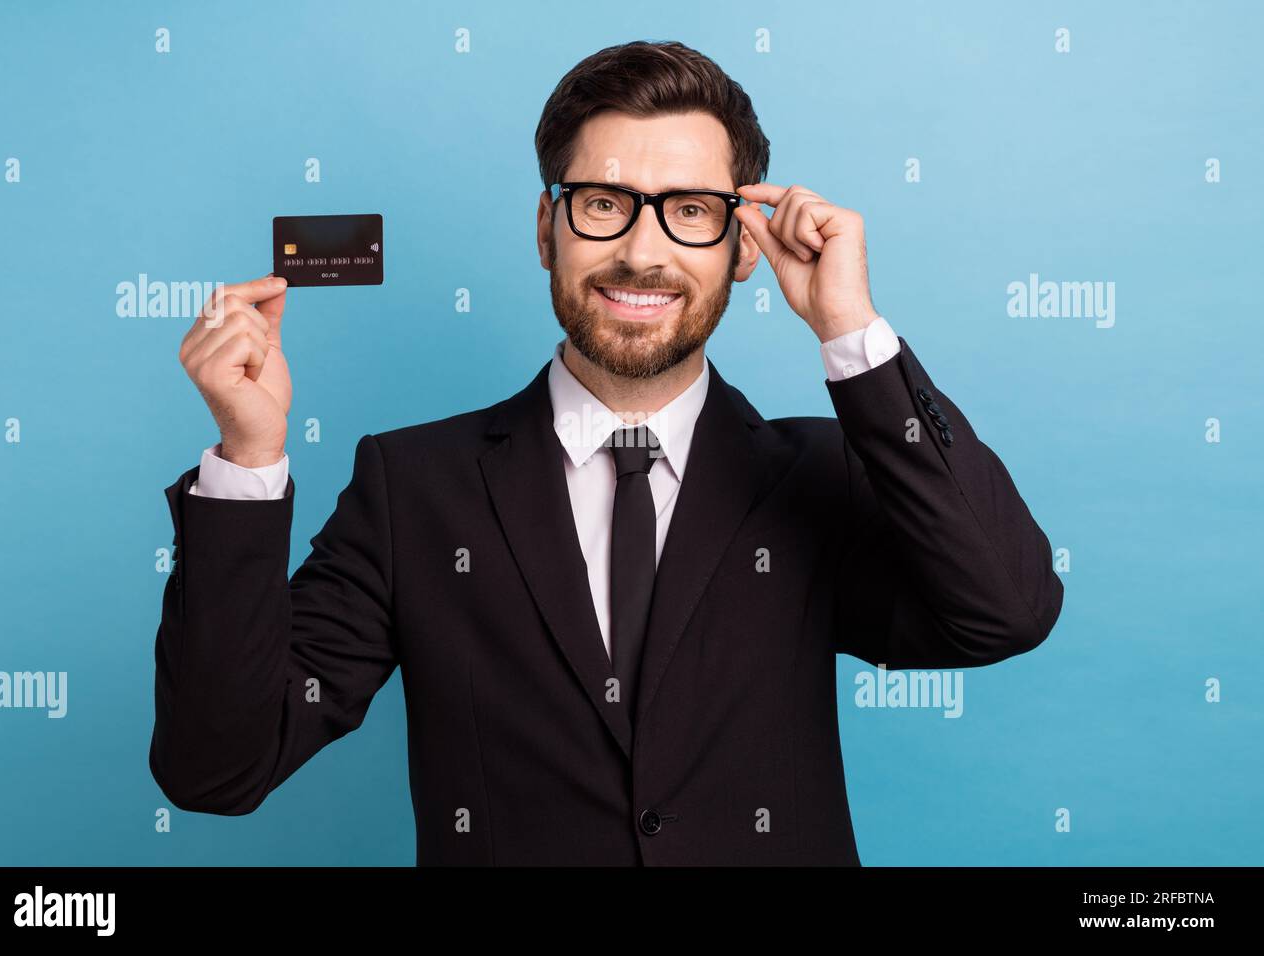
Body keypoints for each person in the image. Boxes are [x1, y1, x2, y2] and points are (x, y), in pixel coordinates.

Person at [150, 40, 1063, 865]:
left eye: (690, 211)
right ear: (546, 230)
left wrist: (852, 332)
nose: (640, 250)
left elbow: (1006, 611)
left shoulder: (817, 476)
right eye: (602, 204)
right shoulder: (413, 489)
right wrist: (248, 458)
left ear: (744, 246)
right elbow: (217, 771)